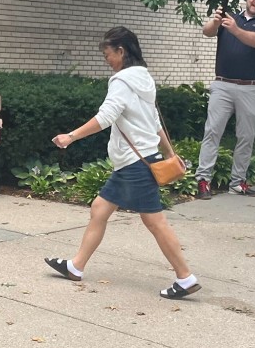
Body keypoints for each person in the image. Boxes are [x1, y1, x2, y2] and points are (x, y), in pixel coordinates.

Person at [44, 27, 200, 299]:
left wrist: (71, 136)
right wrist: (168, 154)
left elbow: (105, 117)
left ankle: (185, 277)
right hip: (137, 161)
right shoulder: (144, 78)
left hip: (135, 164)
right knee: (99, 209)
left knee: (155, 221)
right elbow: (154, 122)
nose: (107, 60)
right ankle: (76, 266)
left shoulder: (122, 82)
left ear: (121, 51)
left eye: (108, 54)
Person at [194, 0, 255, 199]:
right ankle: (203, 180)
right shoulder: (230, 17)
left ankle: (238, 182)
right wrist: (215, 22)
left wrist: (235, 30)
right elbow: (207, 32)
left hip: (251, 88)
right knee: (212, 132)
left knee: (246, 137)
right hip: (223, 85)